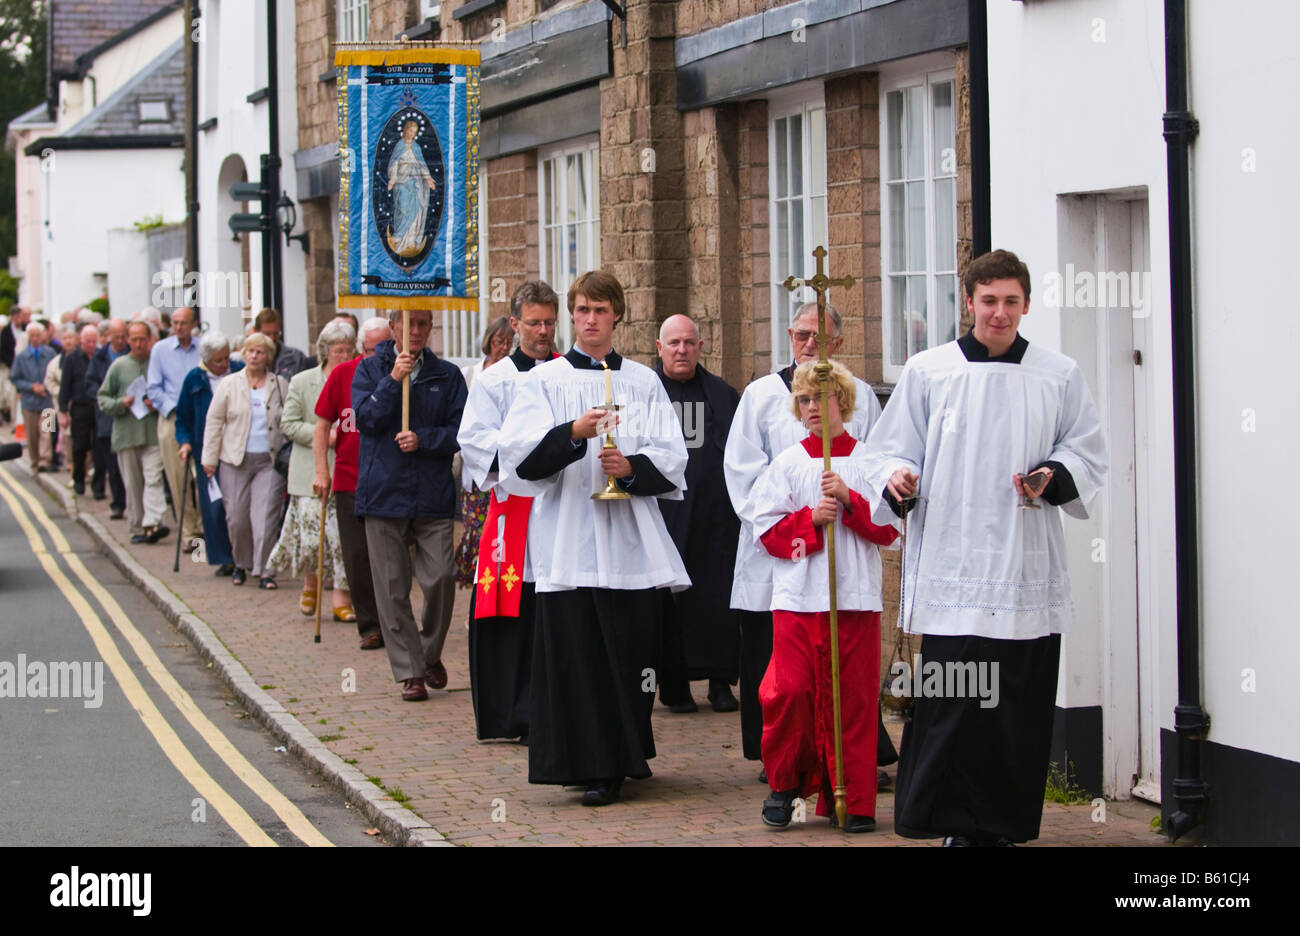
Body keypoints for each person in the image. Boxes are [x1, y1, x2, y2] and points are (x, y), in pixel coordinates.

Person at [862, 249, 1108, 846]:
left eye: (1012, 302)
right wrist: (896, 476)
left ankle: (1000, 826)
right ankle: (949, 824)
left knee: (1014, 711)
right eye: (990, 301)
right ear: (968, 301)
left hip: (1024, 562)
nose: (1000, 313)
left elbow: (1087, 450)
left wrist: (1053, 472)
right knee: (956, 700)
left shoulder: (1058, 374)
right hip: (954, 563)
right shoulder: (929, 370)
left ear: (1026, 304)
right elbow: (887, 450)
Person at [497, 270, 690, 807]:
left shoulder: (643, 383)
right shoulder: (544, 381)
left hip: (628, 541)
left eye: (601, 310)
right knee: (575, 655)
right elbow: (516, 462)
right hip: (568, 537)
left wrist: (630, 468)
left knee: (629, 655)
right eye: (581, 310)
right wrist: (571, 436)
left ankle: (621, 758)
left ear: (617, 315)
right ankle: (583, 761)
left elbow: (673, 458)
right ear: (571, 316)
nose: (590, 320)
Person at [723, 301, 881, 776]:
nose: (810, 344)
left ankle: (845, 761)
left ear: (838, 342)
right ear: (789, 336)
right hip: (778, 547)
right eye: (801, 335)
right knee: (780, 669)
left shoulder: (861, 397)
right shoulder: (759, 395)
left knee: (842, 664)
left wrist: (844, 508)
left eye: (821, 336)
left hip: (843, 549)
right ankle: (776, 758)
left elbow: (876, 468)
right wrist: (798, 520)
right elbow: (741, 471)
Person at [750, 360, 898, 833]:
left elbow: (889, 532)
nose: (814, 408)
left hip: (853, 599)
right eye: (806, 400)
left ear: (843, 402)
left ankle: (855, 798)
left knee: (851, 699)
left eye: (823, 397)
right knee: (790, 692)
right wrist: (810, 522)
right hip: (798, 599)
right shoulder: (789, 463)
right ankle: (785, 782)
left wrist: (851, 502)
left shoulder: (871, 461)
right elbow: (766, 532)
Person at [456, 281, 559, 741]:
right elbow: (474, 441)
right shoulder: (495, 379)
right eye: (533, 322)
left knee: (553, 610)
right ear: (514, 324)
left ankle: (552, 708)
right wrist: (531, 458)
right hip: (514, 507)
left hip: (562, 508)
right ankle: (512, 713)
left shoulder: (570, 373)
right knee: (512, 613)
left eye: (549, 322)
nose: (542, 331)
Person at [352, 309, 466, 701]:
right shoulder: (369, 370)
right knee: (392, 587)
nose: (415, 331)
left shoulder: (447, 375)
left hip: (432, 494)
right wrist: (393, 380)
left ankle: (428, 652)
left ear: (431, 327)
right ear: (393, 324)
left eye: (423, 324)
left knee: (440, 579)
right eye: (408, 323)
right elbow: (364, 419)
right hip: (383, 493)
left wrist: (425, 439)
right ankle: (410, 671)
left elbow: (460, 432)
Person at [653, 314, 742, 714]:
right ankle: (674, 684)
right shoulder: (646, 393)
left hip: (715, 521)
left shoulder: (722, 394)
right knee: (669, 604)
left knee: (718, 599)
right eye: (673, 343)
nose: (682, 350)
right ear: (660, 348)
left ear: (701, 347)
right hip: (665, 520)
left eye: (689, 343)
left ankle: (721, 681)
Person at [314, 316, 391, 651]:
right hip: (349, 479)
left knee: (390, 557)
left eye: (387, 346)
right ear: (362, 348)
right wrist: (321, 471)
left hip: (390, 479)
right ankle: (370, 626)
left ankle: (394, 622)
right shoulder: (343, 375)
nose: (381, 354)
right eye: (374, 348)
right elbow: (321, 426)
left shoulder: (399, 374)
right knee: (357, 555)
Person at [269, 321, 355, 620]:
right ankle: (311, 580)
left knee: (343, 539)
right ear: (324, 351)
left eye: (347, 349)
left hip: (345, 471)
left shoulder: (356, 378)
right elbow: (289, 424)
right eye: (337, 350)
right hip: (309, 472)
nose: (343, 355)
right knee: (314, 537)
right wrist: (323, 435)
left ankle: (341, 597)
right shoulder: (303, 381)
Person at [201, 332, 289, 588]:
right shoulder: (229, 384)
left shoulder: (280, 384)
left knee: (265, 517)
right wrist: (210, 458)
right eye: (250, 351)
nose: (253, 356)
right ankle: (241, 563)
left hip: (269, 461)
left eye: (259, 351)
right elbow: (214, 420)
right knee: (237, 517)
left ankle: (264, 571)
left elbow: (289, 418)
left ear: (267, 357)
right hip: (234, 459)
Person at [175, 329, 244, 576]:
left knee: (237, 507)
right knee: (215, 508)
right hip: (208, 452)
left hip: (238, 448)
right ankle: (225, 558)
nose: (224, 363)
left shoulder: (240, 371)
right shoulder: (194, 379)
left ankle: (242, 556)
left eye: (226, 358)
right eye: (218, 360)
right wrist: (184, 442)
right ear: (206, 359)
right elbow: (182, 418)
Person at [453, 314, 514, 589]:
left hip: (503, 467)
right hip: (474, 467)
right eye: (499, 341)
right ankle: (473, 580)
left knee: (499, 534)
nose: (503, 347)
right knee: (476, 531)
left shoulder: (515, 375)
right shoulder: (470, 374)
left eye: (509, 342)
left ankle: (491, 587)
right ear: (488, 341)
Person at [96, 321, 169, 544]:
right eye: (134, 339)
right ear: (128, 340)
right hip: (126, 435)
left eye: (142, 339)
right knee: (133, 485)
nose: (138, 344)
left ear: (150, 340)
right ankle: (137, 527)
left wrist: (158, 405)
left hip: (153, 433)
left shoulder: (158, 364)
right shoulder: (119, 366)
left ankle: (153, 522)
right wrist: (121, 403)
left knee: (154, 478)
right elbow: (103, 398)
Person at [147, 306, 203, 549]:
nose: (178, 327)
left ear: (193, 324)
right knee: (177, 477)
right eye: (175, 323)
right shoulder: (160, 350)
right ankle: (189, 533)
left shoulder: (203, 348)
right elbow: (154, 388)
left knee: (201, 475)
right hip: (172, 418)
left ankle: (205, 527)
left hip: (200, 418)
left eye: (183, 322)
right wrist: (175, 407)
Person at [87, 318, 130, 515]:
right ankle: (118, 504)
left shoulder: (134, 353)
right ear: (108, 336)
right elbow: (91, 385)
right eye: (116, 337)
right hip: (106, 419)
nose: (120, 341)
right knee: (112, 466)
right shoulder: (100, 357)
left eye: (123, 336)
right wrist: (107, 400)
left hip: (132, 417)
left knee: (132, 466)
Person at [57, 324, 102, 495]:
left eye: (94, 341)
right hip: (79, 408)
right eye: (88, 341)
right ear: (81, 341)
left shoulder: (100, 356)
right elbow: (65, 385)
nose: (91, 345)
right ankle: (78, 480)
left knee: (99, 449)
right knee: (79, 447)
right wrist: (63, 411)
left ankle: (98, 488)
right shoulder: (72, 358)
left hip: (98, 408)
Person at [11, 322, 58, 471]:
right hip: (29, 402)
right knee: (32, 436)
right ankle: (35, 460)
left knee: (47, 432)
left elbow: (54, 374)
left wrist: (44, 387)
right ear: (29, 337)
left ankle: (45, 461)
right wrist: (31, 387)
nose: (36, 338)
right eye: (33, 335)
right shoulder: (21, 357)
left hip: (47, 400)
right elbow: (15, 378)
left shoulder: (50, 353)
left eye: (38, 335)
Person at [252, 308, 312, 381]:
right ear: (256, 331)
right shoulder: (249, 359)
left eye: (276, 333)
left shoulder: (296, 357)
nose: (272, 338)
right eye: (267, 334)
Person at [0, 305, 32, 424]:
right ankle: (16, 422)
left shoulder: (27, 329)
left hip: (29, 368)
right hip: (12, 366)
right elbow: (4, 350)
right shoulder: (7, 331)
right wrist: (12, 365)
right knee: (13, 395)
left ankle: (26, 424)